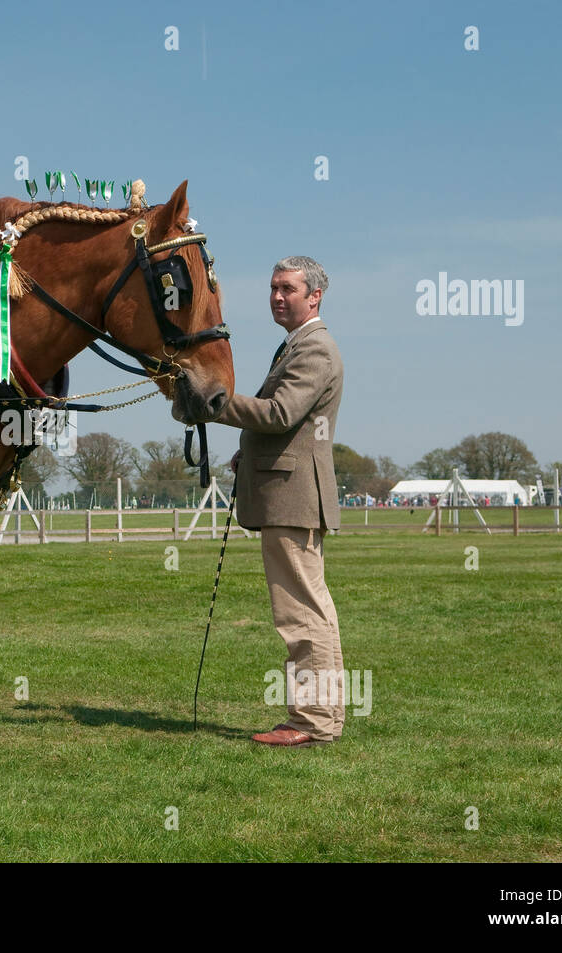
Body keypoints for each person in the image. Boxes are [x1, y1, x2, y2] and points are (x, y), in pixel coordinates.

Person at [216, 256, 345, 747]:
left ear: (314, 296)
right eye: (273, 287)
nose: (276, 296)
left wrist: (213, 400)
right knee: (310, 612)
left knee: (301, 616)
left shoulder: (314, 348)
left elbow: (280, 412)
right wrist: (245, 455)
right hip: (288, 496)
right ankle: (319, 719)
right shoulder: (296, 345)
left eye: (287, 288)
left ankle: (311, 723)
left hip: (293, 500)